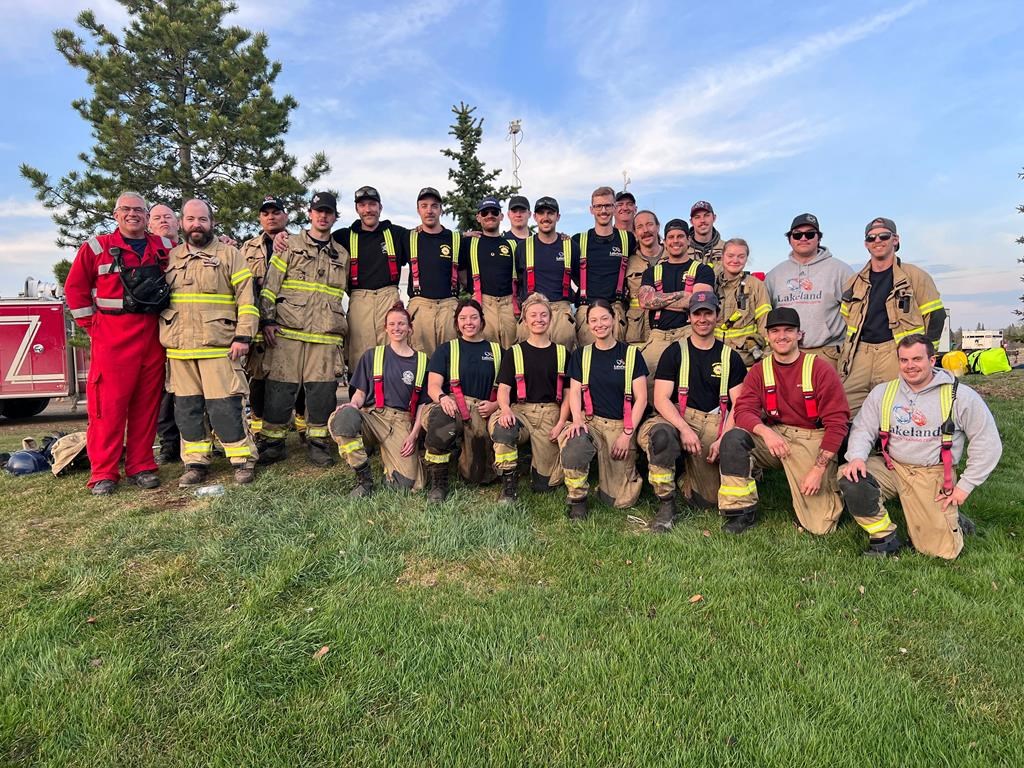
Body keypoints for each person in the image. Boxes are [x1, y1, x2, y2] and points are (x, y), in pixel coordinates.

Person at [838, 335, 1000, 558]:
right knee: (851, 478)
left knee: (939, 552)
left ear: (932, 360)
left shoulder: (960, 396)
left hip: (931, 474)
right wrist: (856, 457)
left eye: (917, 359)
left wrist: (965, 486)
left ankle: (952, 518)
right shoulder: (884, 392)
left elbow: (987, 442)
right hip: (891, 467)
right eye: (904, 360)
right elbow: (863, 428)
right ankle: (884, 538)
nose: (910, 366)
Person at [64, 192, 172, 494]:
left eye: (139, 210)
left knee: (146, 405)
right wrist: (93, 326)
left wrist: (227, 242)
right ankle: (104, 472)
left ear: (147, 216)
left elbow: (196, 251)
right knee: (107, 408)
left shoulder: (163, 246)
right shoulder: (96, 248)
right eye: (126, 209)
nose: (133, 214)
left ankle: (141, 465)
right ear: (116, 214)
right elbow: (75, 290)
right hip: (112, 336)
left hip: (152, 335)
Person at [717, 307, 850, 534]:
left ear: (800, 334)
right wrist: (765, 432)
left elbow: (838, 423)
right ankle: (741, 511)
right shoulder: (760, 370)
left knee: (821, 527)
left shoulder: (819, 369)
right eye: (775, 331)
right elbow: (743, 410)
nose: (782, 336)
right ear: (768, 336)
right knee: (733, 439)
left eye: (789, 330)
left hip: (811, 439)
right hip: (775, 436)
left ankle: (830, 489)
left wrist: (818, 470)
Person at [161, 199, 259, 486]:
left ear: (211, 222)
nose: (196, 225)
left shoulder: (230, 255)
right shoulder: (170, 258)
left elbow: (247, 299)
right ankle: (195, 463)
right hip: (179, 350)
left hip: (219, 347)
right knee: (187, 410)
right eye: (190, 219)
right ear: (182, 223)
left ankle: (241, 460)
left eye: (202, 219)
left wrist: (243, 335)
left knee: (225, 408)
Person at [638, 292, 746, 531]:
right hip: (678, 419)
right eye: (697, 313)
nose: (703, 319)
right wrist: (684, 429)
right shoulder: (674, 352)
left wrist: (723, 439)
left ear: (717, 316)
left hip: (713, 424)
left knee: (706, 501)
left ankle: (686, 479)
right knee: (662, 436)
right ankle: (666, 504)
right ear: (689, 317)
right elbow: (661, 398)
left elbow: (740, 404)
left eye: (708, 312)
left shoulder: (731, 358)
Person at [258, 192, 349, 466]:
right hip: (287, 331)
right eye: (318, 211)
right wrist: (267, 320)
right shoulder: (288, 245)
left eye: (328, 212)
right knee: (279, 389)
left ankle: (318, 443)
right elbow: (270, 286)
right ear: (310, 213)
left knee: (322, 391)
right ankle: (273, 444)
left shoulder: (342, 254)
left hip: (325, 334)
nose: (323, 216)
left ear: (335, 217)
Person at [839, 217, 945, 415]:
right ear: (866, 244)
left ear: (895, 240)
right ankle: (855, 445)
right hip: (860, 353)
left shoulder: (915, 276)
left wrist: (926, 355)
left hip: (895, 350)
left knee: (898, 409)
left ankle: (890, 445)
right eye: (871, 238)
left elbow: (936, 317)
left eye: (883, 236)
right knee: (843, 408)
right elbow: (846, 318)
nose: (877, 241)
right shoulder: (854, 282)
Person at [560, 299, 648, 520]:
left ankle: (616, 480)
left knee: (619, 500)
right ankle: (577, 499)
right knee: (575, 443)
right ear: (588, 325)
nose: (599, 324)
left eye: (604, 318)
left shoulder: (631, 354)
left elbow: (642, 399)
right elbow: (575, 392)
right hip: (592, 422)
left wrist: (628, 435)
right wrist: (577, 419)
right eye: (594, 320)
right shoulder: (582, 355)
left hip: (621, 426)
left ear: (614, 319)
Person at [329, 303, 427, 495]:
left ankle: (390, 463)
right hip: (372, 415)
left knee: (410, 485)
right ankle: (363, 479)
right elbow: (360, 393)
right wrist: (353, 405)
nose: (396, 328)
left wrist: (414, 435)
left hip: (401, 422)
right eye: (392, 324)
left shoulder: (422, 361)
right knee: (343, 420)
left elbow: (423, 404)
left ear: (410, 328)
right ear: (386, 328)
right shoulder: (372, 355)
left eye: (401, 324)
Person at [490, 292, 571, 503]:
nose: (538, 319)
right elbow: (504, 389)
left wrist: (561, 422)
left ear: (550, 319)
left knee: (545, 485)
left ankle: (532, 466)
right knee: (504, 429)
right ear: (525, 321)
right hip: (521, 412)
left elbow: (570, 395)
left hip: (551, 414)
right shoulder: (514, 352)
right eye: (533, 315)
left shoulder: (563, 353)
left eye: (543, 315)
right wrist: (506, 410)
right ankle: (508, 486)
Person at [421, 299, 503, 500]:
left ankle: (463, 460)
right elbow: (432, 386)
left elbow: (508, 388)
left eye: (474, 317)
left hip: (482, 410)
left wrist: (495, 405)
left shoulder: (498, 350)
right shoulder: (446, 349)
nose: (469, 322)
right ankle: (438, 482)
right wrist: (442, 398)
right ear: (457, 323)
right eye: (463, 318)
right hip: (452, 404)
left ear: (482, 321)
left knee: (477, 475)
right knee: (442, 420)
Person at [239, 195, 298, 436]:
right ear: (260, 218)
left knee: (293, 374)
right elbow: (240, 282)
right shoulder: (247, 248)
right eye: (266, 213)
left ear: (286, 216)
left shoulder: (298, 243)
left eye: (276, 212)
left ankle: (300, 425)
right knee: (258, 375)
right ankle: (259, 427)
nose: (271, 217)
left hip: (289, 318)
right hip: (257, 320)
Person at [332, 185, 407, 370]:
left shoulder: (398, 234)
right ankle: (358, 397)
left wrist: (464, 239)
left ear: (380, 207)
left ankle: (392, 397)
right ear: (357, 209)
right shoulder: (343, 236)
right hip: (359, 299)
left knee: (393, 350)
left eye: (372, 204)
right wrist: (282, 236)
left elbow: (427, 239)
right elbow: (314, 238)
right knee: (360, 354)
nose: (368, 210)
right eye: (363, 205)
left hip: (388, 297)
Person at [764, 213, 852, 370]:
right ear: (790, 239)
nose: (803, 238)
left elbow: (856, 315)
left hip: (828, 354)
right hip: (785, 355)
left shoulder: (841, 271)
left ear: (818, 238)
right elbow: (764, 316)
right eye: (797, 235)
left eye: (810, 234)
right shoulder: (774, 275)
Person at [637, 219, 715, 394]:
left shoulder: (702, 270)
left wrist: (659, 302)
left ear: (688, 240)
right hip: (658, 336)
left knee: (694, 380)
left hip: (688, 332)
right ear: (664, 241)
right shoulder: (652, 272)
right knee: (645, 378)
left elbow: (699, 302)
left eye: (680, 236)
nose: (675, 241)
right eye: (671, 237)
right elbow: (645, 301)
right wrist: (682, 295)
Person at [572, 186, 637, 345]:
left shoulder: (627, 239)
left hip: (615, 309)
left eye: (608, 206)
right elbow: (572, 272)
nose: (603, 210)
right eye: (598, 206)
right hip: (587, 309)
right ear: (591, 209)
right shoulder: (578, 240)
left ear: (614, 208)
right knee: (588, 361)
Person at [514, 197, 578, 350]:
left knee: (564, 359)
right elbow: (516, 281)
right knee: (528, 361)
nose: (546, 217)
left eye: (550, 213)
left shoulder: (570, 246)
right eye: (541, 213)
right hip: (532, 310)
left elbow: (581, 280)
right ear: (535, 217)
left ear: (558, 216)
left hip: (561, 311)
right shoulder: (523, 247)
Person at [407, 186, 461, 355]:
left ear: (441, 209)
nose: (429, 210)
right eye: (424, 206)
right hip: (421, 307)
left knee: (451, 361)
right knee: (421, 362)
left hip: (449, 308)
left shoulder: (456, 239)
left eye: (434, 206)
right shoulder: (407, 237)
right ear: (418, 209)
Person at [149, 203, 182, 465]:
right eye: (157, 218)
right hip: (160, 332)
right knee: (164, 395)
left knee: (199, 394)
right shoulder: (148, 253)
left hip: (196, 333)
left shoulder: (194, 248)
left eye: (168, 217)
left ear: (178, 223)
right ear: (149, 224)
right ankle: (170, 445)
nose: (163, 221)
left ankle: (204, 441)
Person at [461, 196, 518, 348]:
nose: (490, 215)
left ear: (501, 216)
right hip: (482, 304)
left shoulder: (512, 244)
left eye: (494, 212)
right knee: (484, 352)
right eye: (485, 213)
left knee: (511, 352)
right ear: (478, 217)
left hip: (509, 307)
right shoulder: (468, 243)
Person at [715, 238, 771, 367]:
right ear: (722, 256)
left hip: (746, 361)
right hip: (715, 360)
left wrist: (766, 358)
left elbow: (765, 323)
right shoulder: (710, 284)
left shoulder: (756, 286)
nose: (735, 260)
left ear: (746, 259)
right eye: (730, 256)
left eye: (741, 256)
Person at [623, 209, 663, 344]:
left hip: (668, 329)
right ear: (634, 233)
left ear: (657, 227)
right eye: (640, 227)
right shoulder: (627, 262)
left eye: (649, 224)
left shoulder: (673, 258)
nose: (645, 230)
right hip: (636, 332)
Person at [687, 201, 724, 267]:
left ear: (714, 218)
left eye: (706, 215)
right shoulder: (682, 250)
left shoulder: (726, 248)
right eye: (697, 217)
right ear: (691, 221)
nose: (702, 220)